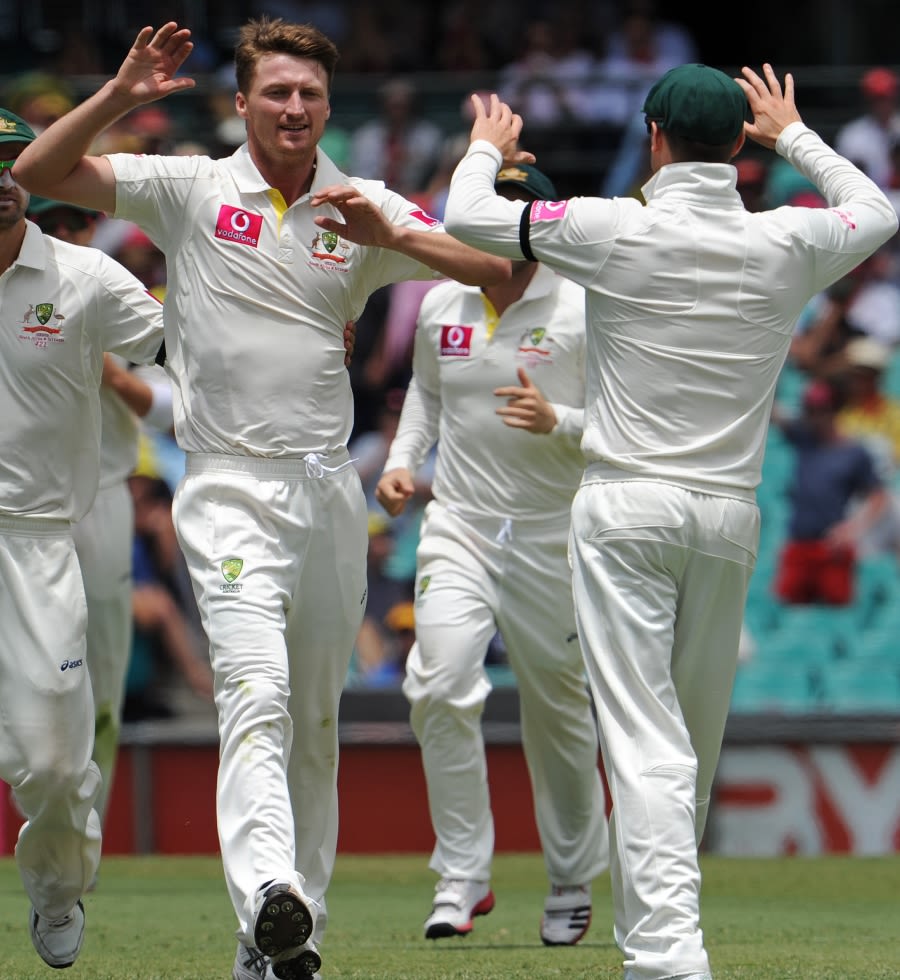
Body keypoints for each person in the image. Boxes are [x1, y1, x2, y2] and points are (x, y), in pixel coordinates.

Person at [13, 18, 510, 980]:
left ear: (330, 106)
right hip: (229, 484)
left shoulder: (360, 201)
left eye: (311, 95)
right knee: (256, 696)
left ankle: (286, 934)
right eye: (276, 92)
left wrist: (392, 233)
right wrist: (121, 96)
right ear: (241, 103)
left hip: (328, 492)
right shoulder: (192, 186)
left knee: (316, 722)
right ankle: (268, 889)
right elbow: (39, 171)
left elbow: (494, 272)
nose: (294, 108)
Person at [440, 62, 897, 980]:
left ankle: (667, 954)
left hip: (623, 508)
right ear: (738, 145)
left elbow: (466, 221)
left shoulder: (613, 226)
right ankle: (659, 935)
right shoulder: (788, 240)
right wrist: (797, 133)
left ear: (652, 139)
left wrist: (482, 152)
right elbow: (879, 211)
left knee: (649, 745)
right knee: (683, 747)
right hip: (727, 518)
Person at [376, 163, 609, 946]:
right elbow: (426, 398)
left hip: (555, 531)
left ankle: (572, 874)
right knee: (438, 685)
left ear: (536, 223)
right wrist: (403, 461)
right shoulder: (444, 299)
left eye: (511, 213)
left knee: (559, 710)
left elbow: (622, 421)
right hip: (462, 525)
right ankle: (461, 877)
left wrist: (561, 421)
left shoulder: (582, 305)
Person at [0, 109, 165, 970]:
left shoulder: (85, 276)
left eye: (8, 164)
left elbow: (183, 346)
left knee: (55, 767)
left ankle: (57, 889)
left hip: (35, 544)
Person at [26, 194, 177, 832]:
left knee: (104, 668)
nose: (66, 232)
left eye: (76, 221)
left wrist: (114, 377)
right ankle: (41, 812)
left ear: (94, 224)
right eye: (51, 222)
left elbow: (175, 407)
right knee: (35, 671)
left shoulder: (117, 295)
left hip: (104, 497)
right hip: (25, 507)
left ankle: (89, 827)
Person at [771, 379, 889, 604]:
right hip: (799, 544)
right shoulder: (804, 439)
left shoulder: (854, 452)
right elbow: (773, 414)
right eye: (810, 410)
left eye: (821, 410)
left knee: (835, 612)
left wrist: (853, 529)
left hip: (832, 549)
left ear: (835, 410)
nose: (815, 417)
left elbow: (878, 496)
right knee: (791, 609)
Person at [835, 66, 900, 191]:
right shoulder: (852, 135)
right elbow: (844, 180)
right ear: (868, 101)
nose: (883, 104)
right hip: (868, 198)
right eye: (877, 99)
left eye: (886, 98)